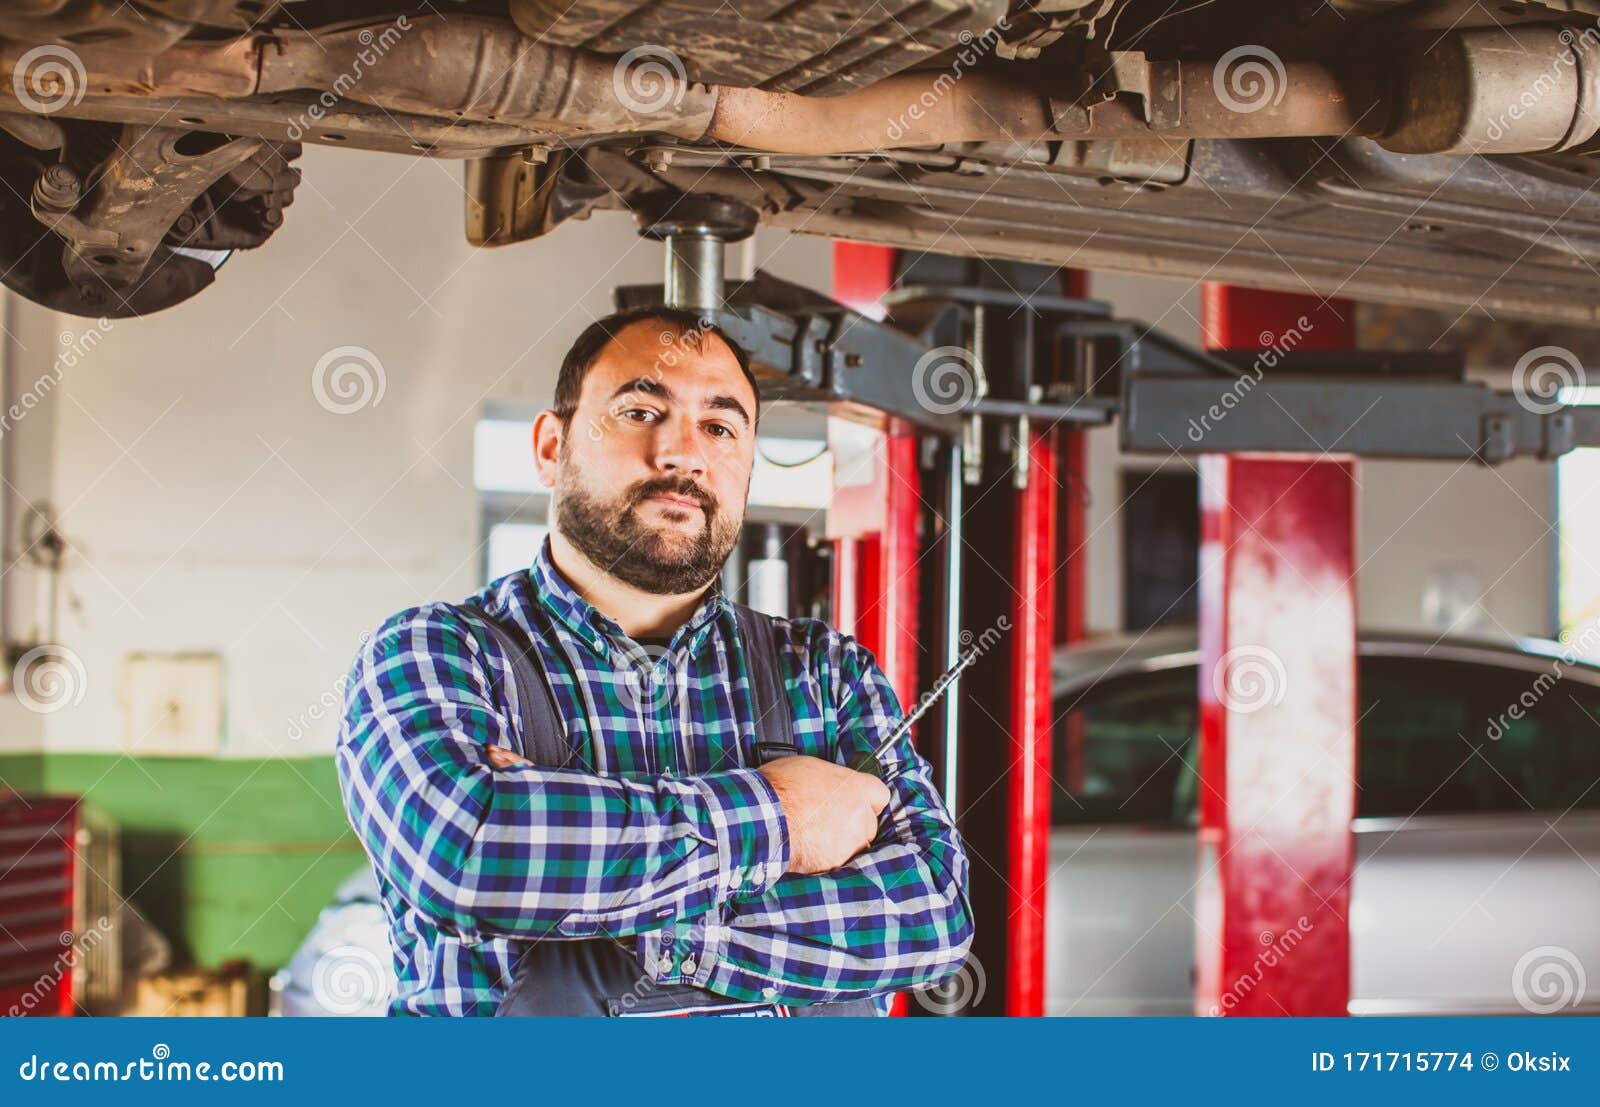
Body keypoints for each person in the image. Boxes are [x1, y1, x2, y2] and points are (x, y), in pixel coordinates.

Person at [336, 306, 973, 1016]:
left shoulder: (827, 672)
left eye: (720, 426)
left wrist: (655, 935)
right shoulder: (436, 654)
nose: (682, 453)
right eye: (640, 410)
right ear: (551, 446)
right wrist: (785, 815)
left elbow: (930, 917)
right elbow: (473, 851)